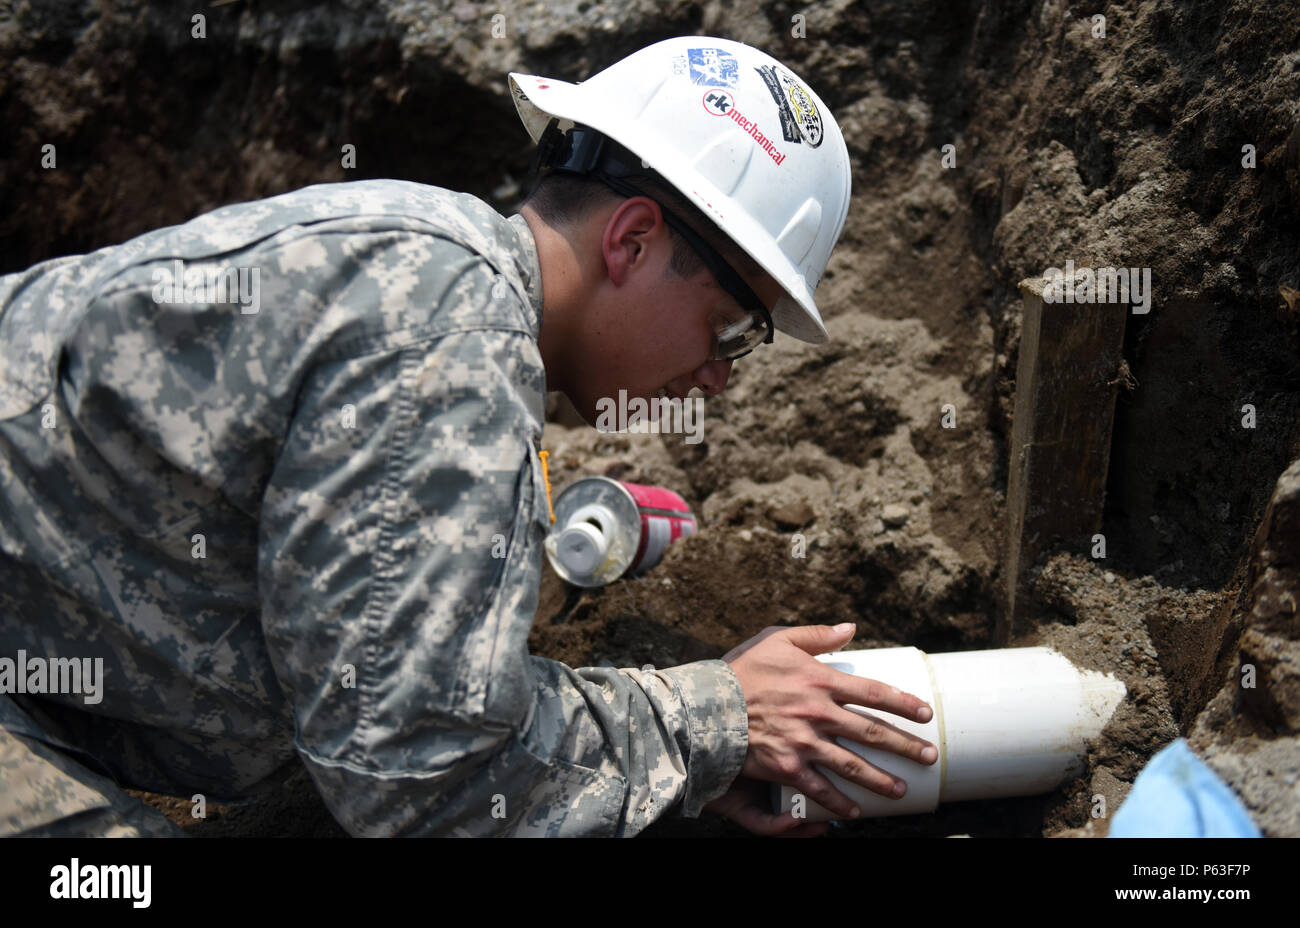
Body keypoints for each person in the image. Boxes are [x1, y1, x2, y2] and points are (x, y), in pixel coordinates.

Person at [0, 36, 937, 838]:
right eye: (732, 327)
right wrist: (715, 720)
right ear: (634, 241)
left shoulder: (442, 283)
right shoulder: (449, 334)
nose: (720, 373)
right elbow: (420, 779)